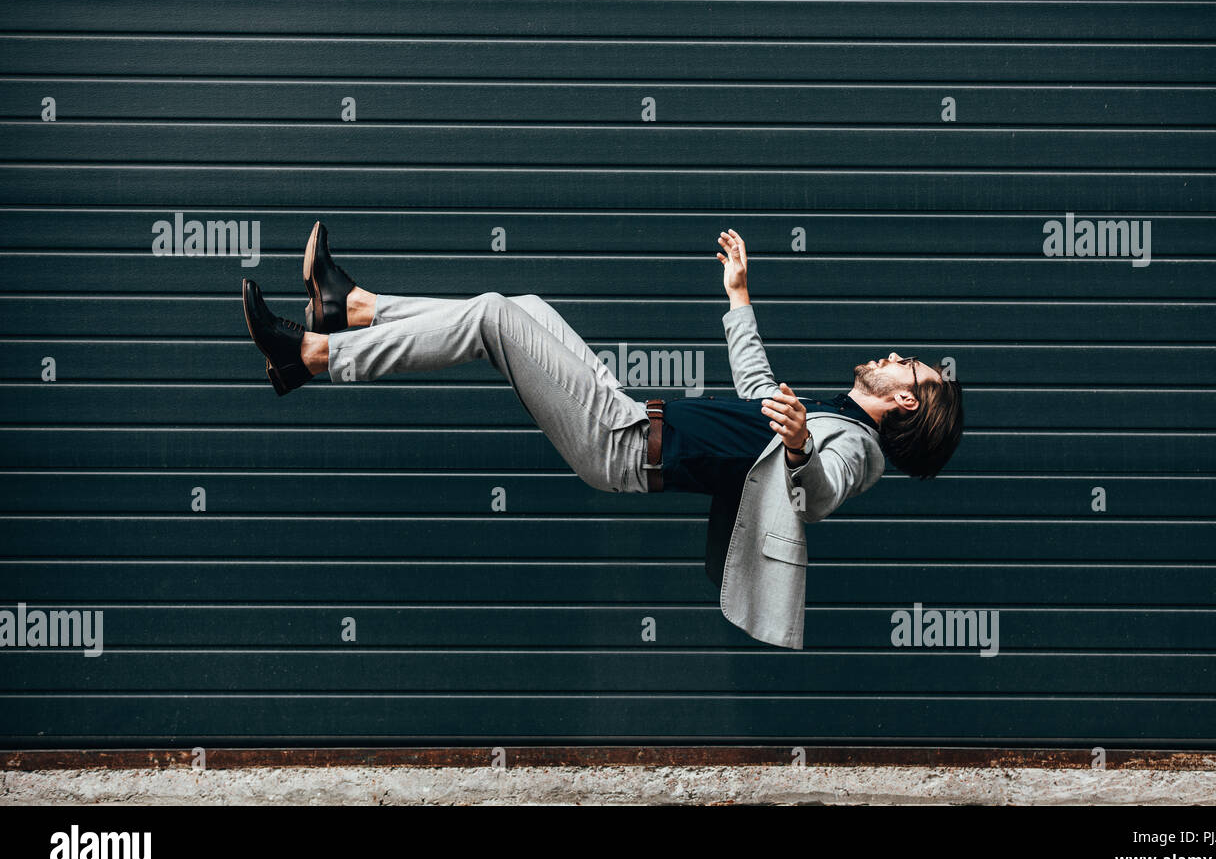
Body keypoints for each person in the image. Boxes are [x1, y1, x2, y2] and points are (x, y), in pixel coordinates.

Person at [242, 222, 964, 648]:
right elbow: (755, 401)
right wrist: (739, 299)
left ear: (905, 401)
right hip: (625, 412)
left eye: (909, 366)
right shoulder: (833, 408)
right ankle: (353, 305)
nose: (893, 355)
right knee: (520, 306)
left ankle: (309, 354)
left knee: (495, 315)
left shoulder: (856, 451)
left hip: (621, 443)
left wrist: (805, 446)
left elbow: (817, 492)